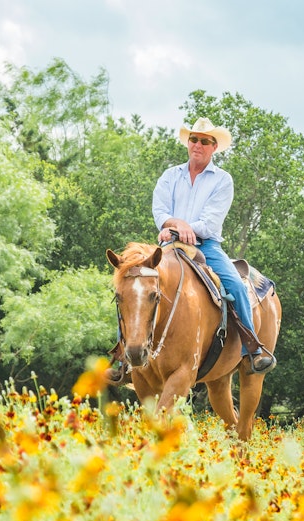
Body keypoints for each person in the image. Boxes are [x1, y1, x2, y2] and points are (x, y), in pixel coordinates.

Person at [111, 117, 275, 381]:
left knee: (233, 284)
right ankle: (122, 355)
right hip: (168, 245)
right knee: (133, 286)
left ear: (214, 147)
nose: (198, 144)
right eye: (194, 139)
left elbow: (210, 222)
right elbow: (159, 210)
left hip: (205, 245)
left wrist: (185, 227)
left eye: (205, 141)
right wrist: (174, 224)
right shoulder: (170, 175)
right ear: (188, 143)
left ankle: (252, 346)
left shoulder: (223, 180)